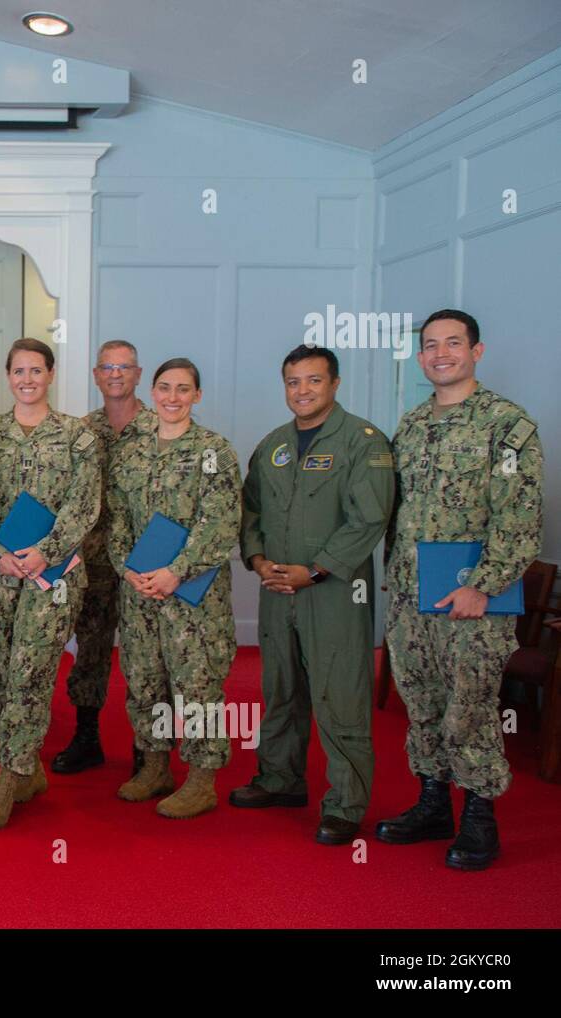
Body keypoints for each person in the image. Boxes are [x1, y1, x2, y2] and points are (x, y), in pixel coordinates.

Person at [377, 309, 543, 870]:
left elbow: (519, 520)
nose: (440, 353)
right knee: (421, 702)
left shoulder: (506, 424)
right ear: (420, 357)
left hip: (473, 602)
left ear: (477, 350)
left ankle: (479, 817)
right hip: (409, 595)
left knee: (469, 708)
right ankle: (432, 803)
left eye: (453, 342)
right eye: (430, 345)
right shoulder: (412, 424)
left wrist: (483, 587)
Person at [232, 344, 395, 845]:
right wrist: (258, 562)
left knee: (339, 694)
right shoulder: (274, 445)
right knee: (281, 686)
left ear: (335, 384)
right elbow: (250, 512)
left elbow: (369, 518)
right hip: (277, 587)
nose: (302, 391)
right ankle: (280, 779)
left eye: (313, 381)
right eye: (293, 382)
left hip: (335, 592)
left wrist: (316, 570)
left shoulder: (363, 442)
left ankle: (345, 804)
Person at [0, 338, 101, 829]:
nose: (27, 379)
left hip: (56, 574)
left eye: (36, 370)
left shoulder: (77, 436)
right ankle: (32, 769)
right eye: (18, 371)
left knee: (30, 669)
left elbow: (84, 504)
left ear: (50, 375)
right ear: (8, 377)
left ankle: (9, 775)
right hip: (0, 573)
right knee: (4, 672)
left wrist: (46, 550)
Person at [106, 357, 241, 820]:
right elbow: (117, 516)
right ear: (154, 391)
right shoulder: (131, 450)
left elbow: (220, 524)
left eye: (183, 389)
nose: (172, 397)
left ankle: (202, 778)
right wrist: (125, 567)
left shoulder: (213, 451)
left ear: (197, 396)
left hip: (192, 596)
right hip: (140, 589)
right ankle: (156, 766)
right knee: (145, 681)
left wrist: (176, 571)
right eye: (165, 387)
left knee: (196, 683)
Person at [53, 340, 154, 776]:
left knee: (144, 656)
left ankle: (147, 749)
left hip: (143, 564)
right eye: (107, 367)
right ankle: (87, 736)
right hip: (92, 561)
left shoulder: (161, 426)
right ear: (96, 376)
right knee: (89, 652)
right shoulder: (82, 431)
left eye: (124, 367)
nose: (115, 374)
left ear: (138, 373)